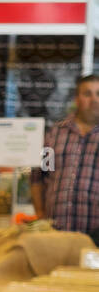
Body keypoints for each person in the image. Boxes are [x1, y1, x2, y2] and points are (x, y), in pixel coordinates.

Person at [31, 75, 99, 234]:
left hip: (95, 235)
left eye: (98, 93)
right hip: (55, 231)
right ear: (76, 99)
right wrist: (40, 214)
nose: (94, 99)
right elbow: (39, 175)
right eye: (87, 94)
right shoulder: (55, 134)